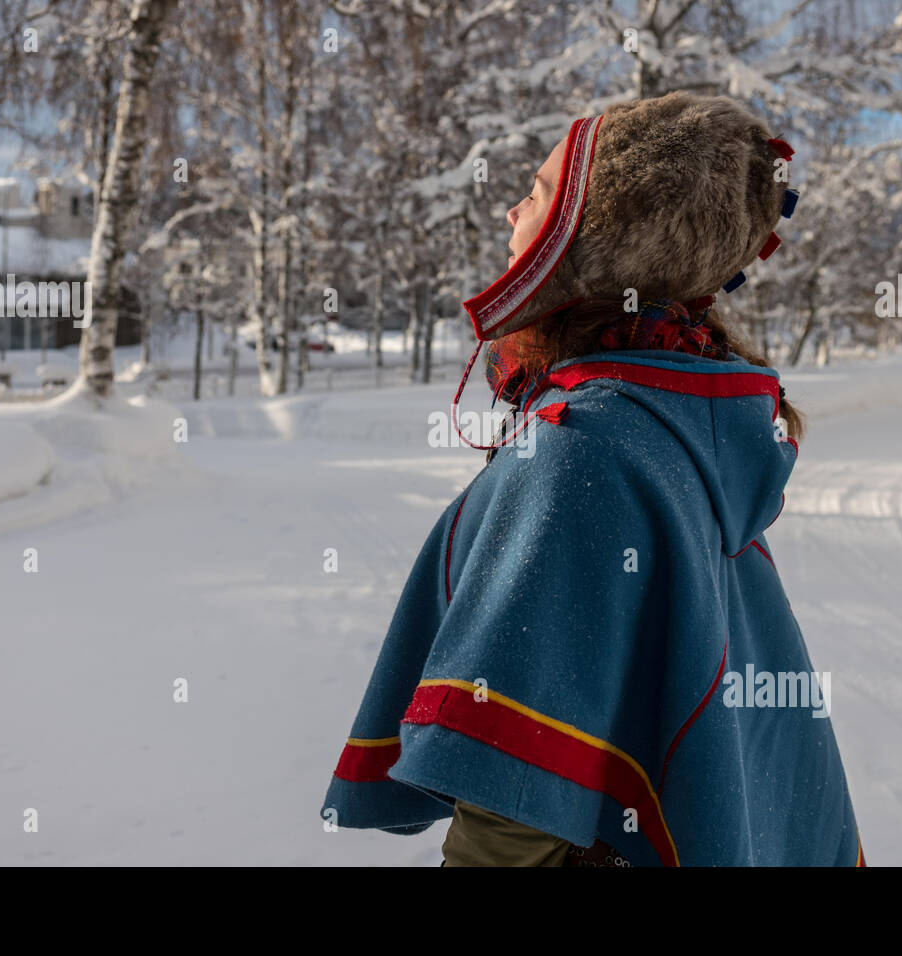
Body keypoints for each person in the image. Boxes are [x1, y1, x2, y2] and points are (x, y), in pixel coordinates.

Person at [321, 91, 863, 867]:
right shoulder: (678, 413)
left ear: (594, 233)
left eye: (537, 194)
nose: (512, 211)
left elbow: (513, 798)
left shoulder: (583, 444)